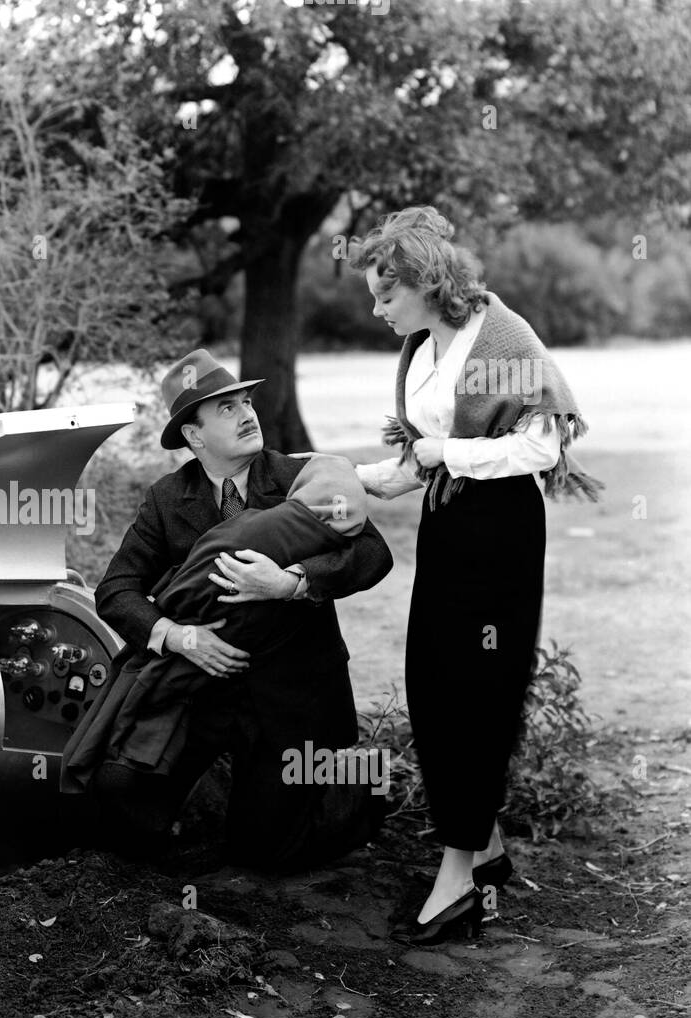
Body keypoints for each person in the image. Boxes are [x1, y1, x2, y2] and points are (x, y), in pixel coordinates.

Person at [348, 206, 601, 944]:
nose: (376, 308)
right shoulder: (423, 350)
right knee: (431, 679)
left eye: (384, 294)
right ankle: (483, 842)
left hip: (501, 531)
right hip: (449, 522)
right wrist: (337, 481)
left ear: (425, 282)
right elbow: (416, 461)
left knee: (476, 690)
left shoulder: (501, 338)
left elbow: (540, 449)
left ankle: (457, 878)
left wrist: (444, 459)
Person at [60, 350, 394, 871]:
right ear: (193, 436)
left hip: (293, 692)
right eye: (226, 409)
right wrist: (178, 636)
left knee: (265, 853)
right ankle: (196, 813)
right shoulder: (168, 498)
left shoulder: (297, 475)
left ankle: (355, 793)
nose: (247, 414)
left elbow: (374, 553)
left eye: (246, 402)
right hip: (202, 690)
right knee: (119, 785)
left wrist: (291, 583)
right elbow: (117, 590)